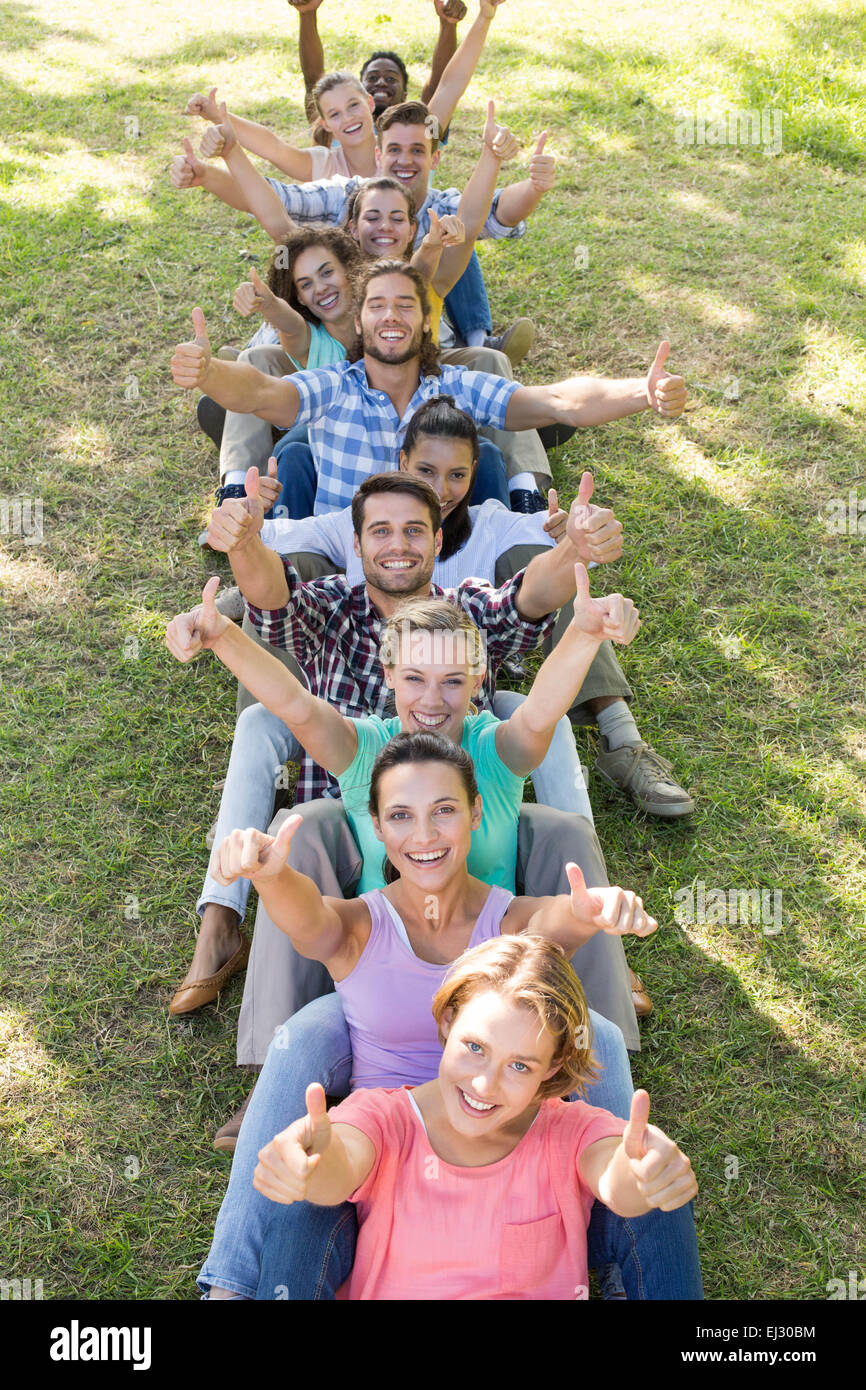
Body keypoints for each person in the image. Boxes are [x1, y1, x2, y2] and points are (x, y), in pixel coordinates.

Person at [197, 738, 702, 1299]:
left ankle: (606, 1249)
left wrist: (586, 914)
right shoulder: (361, 930)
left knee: (643, 1170)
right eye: (400, 816)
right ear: (378, 827)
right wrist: (269, 876)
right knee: (305, 1176)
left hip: (518, 1135)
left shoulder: (510, 927)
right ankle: (232, 1286)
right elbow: (308, 915)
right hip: (386, 1151)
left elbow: (554, 919)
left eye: (444, 810)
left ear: (476, 812)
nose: (424, 835)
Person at [161, 472, 588, 1025]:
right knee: (299, 823)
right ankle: (237, 954)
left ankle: (596, 975)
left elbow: (537, 673)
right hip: (355, 848)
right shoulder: (367, 739)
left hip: (486, 959)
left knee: (565, 826)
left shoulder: (471, 637)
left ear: (439, 540)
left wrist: (584, 605)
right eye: (380, 530)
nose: (432, 698)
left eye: (414, 530)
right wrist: (231, 602)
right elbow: (291, 693)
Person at [169, 257, 686, 516]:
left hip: (440, 574)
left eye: (405, 305)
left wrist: (642, 392)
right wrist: (211, 372)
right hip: (344, 572)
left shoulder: (455, 387)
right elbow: (260, 393)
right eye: (376, 305)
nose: (390, 316)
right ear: (360, 323)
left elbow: (558, 400)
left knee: (544, 551)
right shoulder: (330, 387)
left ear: (424, 324)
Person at [170, 97, 551, 366]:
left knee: (485, 364)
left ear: (414, 228)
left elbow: (469, 224)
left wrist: (492, 156)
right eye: (372, 217)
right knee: (267, 367)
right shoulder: (340, 278)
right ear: (350, 228)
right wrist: (231, 154)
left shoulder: (422, 282)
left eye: (397, 219)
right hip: (338, 402)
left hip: (413, 397)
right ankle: (248, 378)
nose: (384, 226)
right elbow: (276, 218)